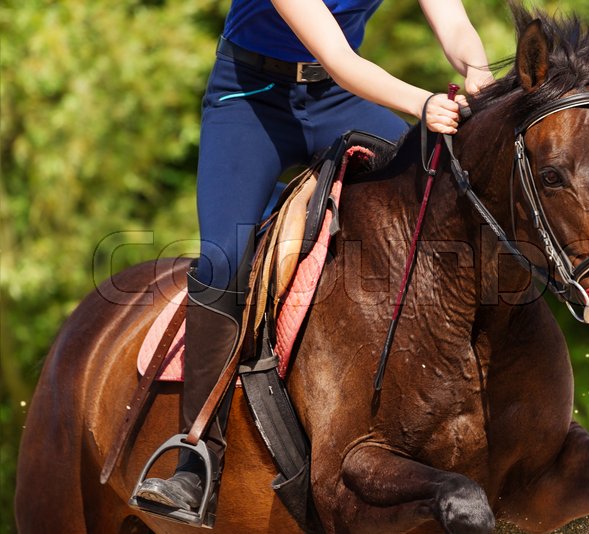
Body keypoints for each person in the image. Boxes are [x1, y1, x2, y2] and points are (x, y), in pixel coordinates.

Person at [135, 0, 493, 513]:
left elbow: (454, 22)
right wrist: (423, 102)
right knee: (225, 260)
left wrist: (477, 70)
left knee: (441, 186)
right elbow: (340, 58)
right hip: (250, 98)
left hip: (336, 100)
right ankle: (196, 461)